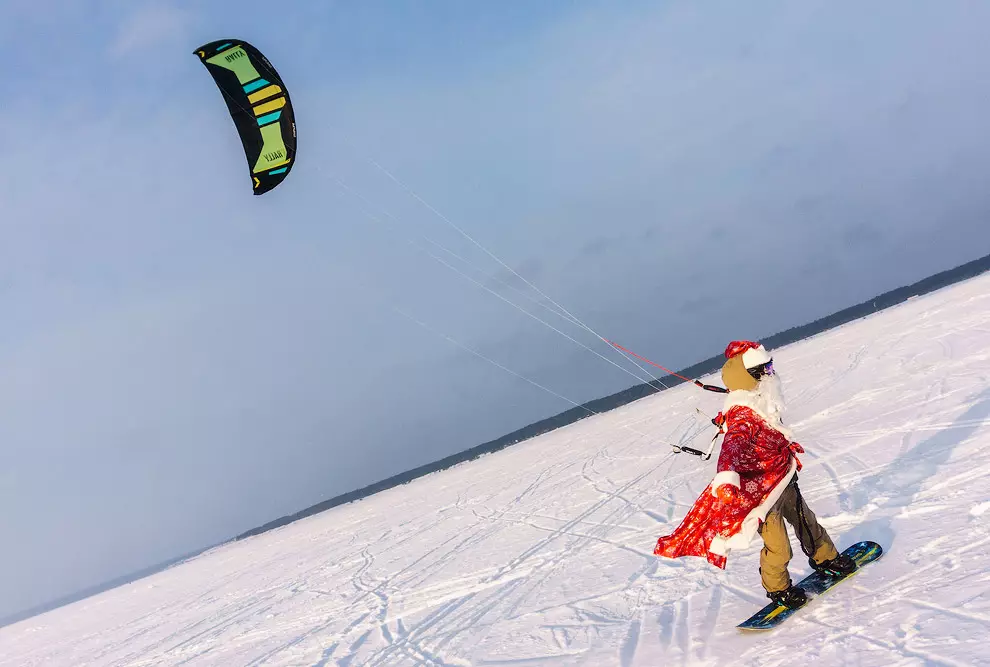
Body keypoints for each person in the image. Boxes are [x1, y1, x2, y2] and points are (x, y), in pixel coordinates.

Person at [654, 340, 856, 608]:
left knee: (808, 524)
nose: (771, 373)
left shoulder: (763, 400)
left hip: (783, 477)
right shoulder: (742, 414)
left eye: (771, 366)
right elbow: (731, 446)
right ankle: (778, 589)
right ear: (749, 375)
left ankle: (826, 559)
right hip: (759, 494)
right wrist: (727, 477)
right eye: (765, 368)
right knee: (779, 546)